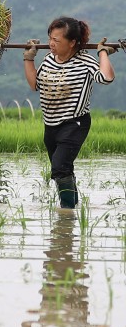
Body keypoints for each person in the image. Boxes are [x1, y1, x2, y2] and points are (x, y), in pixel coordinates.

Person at [23, 16, 115, 208]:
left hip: (74, 123)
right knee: (62, 171)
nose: (51, 44)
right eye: (50, 38)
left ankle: (66, 212)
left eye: (56, 40)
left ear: (72, 42)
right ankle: (71, 212)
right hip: (50, 125)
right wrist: (29, 58)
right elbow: (34, 84)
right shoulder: (49, 60)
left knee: (59, 168)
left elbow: (106, 78)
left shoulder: (85, 62)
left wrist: (103, 53)